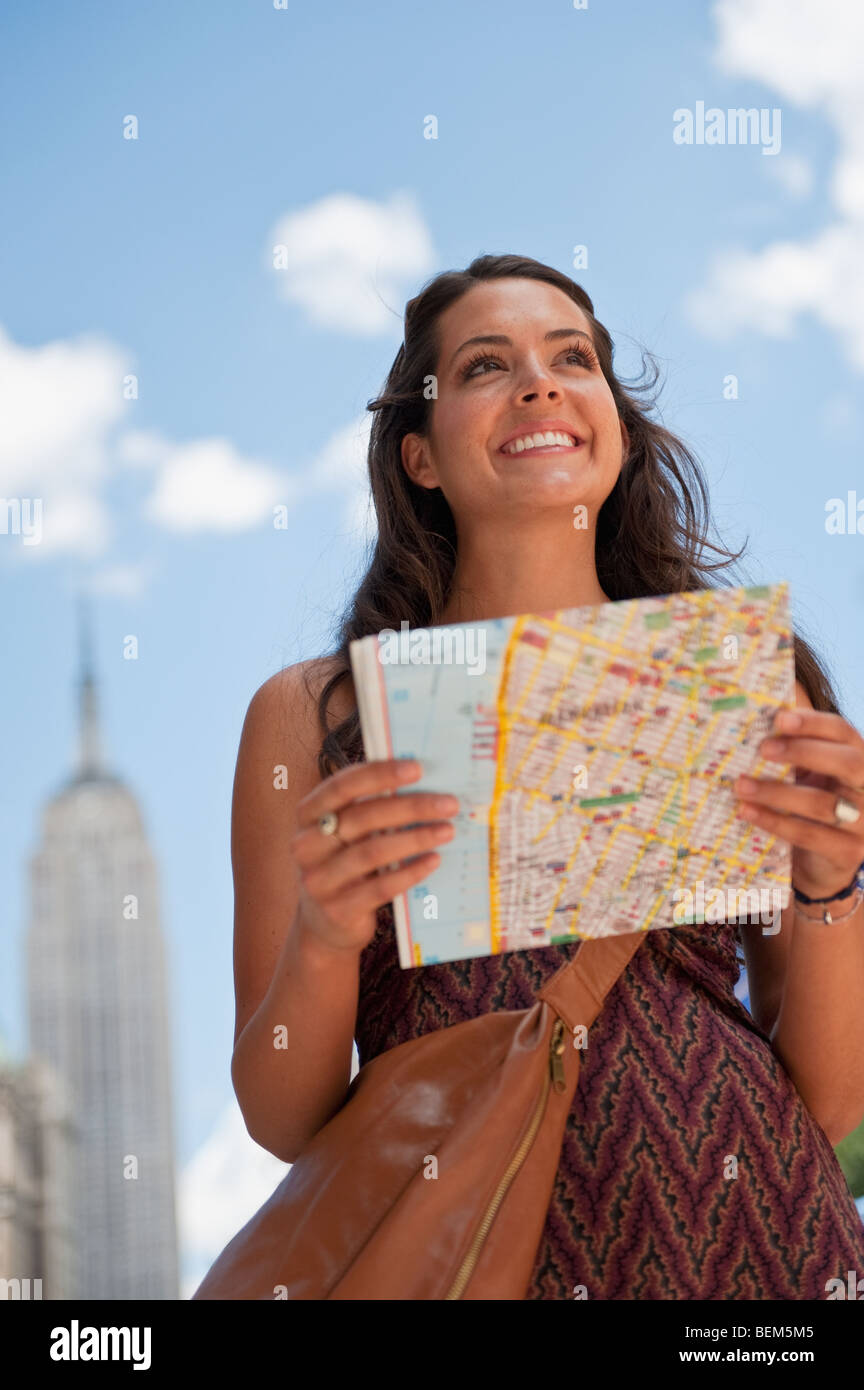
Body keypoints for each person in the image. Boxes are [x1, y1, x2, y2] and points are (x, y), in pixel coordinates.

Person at [229, 253, 864, 1299]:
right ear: (421, 456)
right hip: (481, 1249)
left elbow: (831, 1102)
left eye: (572, 357)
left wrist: (831, 888)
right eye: (486, 366)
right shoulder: (318, 714)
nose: (540, 381)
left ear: (610, 421)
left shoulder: (742, 677)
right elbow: (282, 1117)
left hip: (757, 1243)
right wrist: (328, 936)